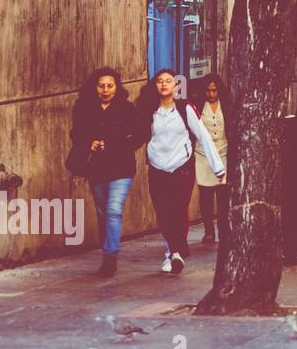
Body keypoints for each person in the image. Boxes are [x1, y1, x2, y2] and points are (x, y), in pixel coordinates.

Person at [138, 68, 224, 275]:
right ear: (155, 86)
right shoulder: (149, 111)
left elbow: (203, 136)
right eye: (160, 81)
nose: (164, 84)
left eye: (168, 81)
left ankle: (175, 252)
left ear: (176, 86)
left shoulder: (185, 109)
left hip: (182, 167)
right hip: (158, 167)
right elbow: (139, 136)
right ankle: (174, 250)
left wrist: (218, 167)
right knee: (163, 211)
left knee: (178, 207)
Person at [69, 67, 142, 277]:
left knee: (113, 210)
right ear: (95, 87)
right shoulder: (83, 108)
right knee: (102, 213)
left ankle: (111, 257)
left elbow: (138, 135)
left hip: (121, 167)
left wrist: (111, 144)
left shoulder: (127, 109)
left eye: (110, 86)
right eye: (101, 86)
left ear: (117, 87)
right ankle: (106, 251)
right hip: (97, 168)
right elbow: (76, 133)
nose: (106, 90)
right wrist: (88, 144)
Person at [194, 74, 232, 245]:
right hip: (203, 156)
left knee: (223, 195)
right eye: (208, 91)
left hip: (223, 152)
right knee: (206, 195)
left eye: (214, 90)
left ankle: (224, 230)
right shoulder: (198, 106)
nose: (211, 94)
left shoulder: (227, 106)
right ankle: (209, 231)